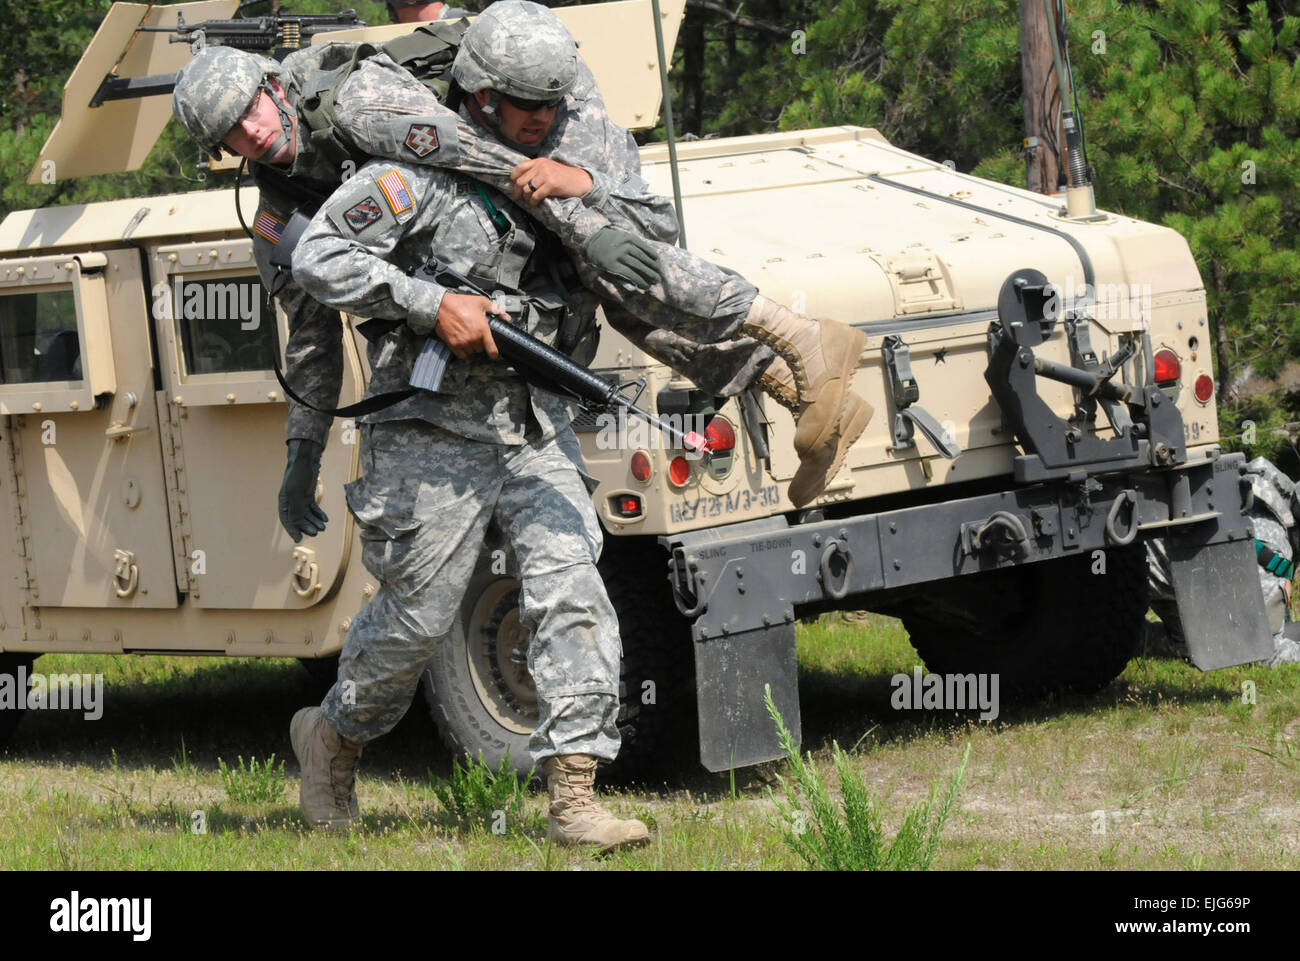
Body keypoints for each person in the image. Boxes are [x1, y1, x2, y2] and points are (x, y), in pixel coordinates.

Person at [169, 1, 872, 526]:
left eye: (251, 109)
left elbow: (479, 154)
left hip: (520, 106)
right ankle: (812, 395)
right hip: (481, 157)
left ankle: (802, 335)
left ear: (273, 84)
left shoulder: (355, 101)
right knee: (611, 295)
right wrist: (302, 454)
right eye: (232, 132)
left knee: (611, 262)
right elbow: (312, 332)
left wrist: (580, 217)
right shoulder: (277, 213)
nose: (252, 132)